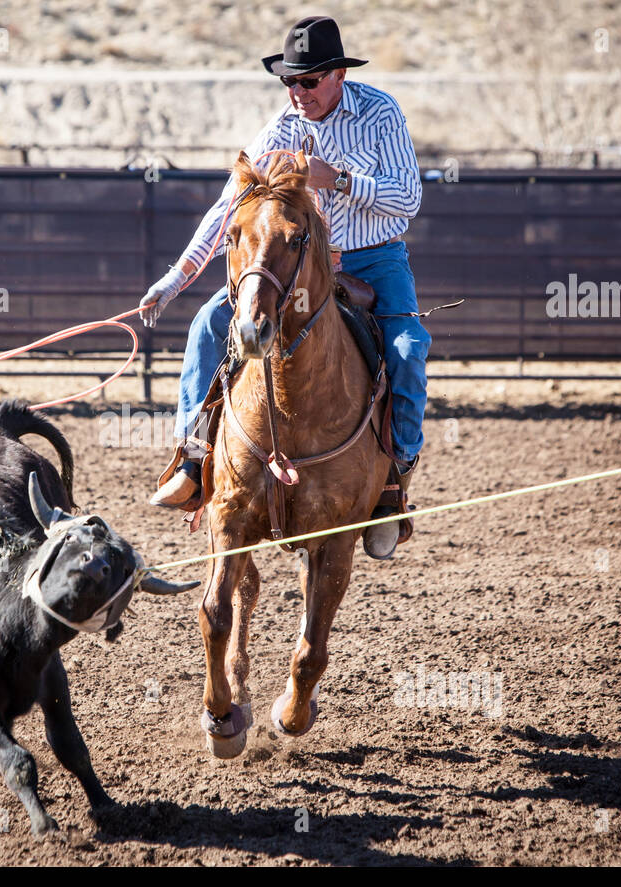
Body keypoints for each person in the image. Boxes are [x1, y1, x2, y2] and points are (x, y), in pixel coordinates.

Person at [139, 14, 429, 560]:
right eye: (290, 82)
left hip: (374, 260)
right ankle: (194, 457)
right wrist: (177, 277)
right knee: (207, 326)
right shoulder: (280, 131)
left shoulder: (381, 114)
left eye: (310, 80)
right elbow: (229, 209)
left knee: (409, 350)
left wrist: (338, 179)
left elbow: (408, 199)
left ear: (339, 75)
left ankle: (394, 483)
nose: (298, 92)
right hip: (294, 265)